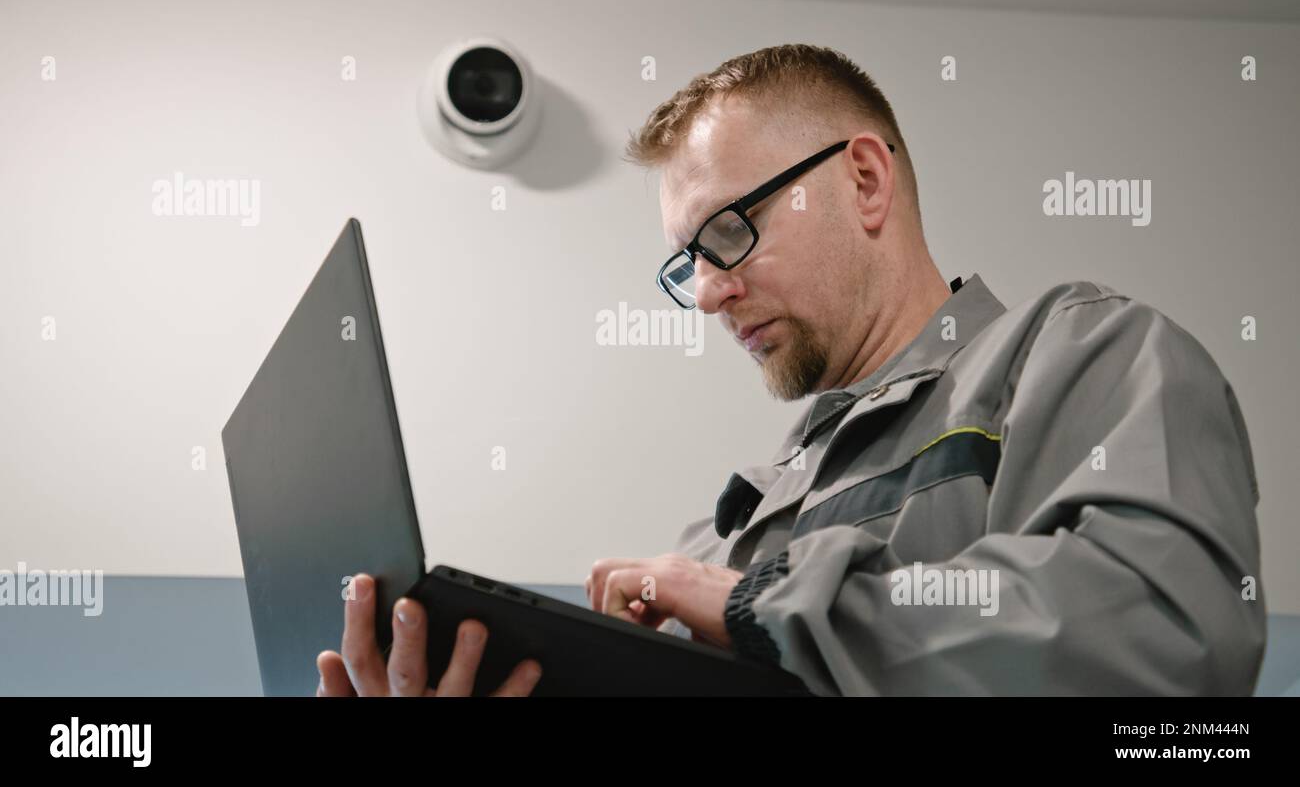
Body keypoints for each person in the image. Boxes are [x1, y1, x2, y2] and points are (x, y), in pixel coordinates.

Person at [317, 43, 1265, 697]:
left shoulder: (1083, 353)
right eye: (687, 261)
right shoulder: (728, 533)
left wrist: (760, 606)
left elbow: (1165, 635)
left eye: (729, 233)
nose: (709, 294)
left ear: (863, 180)